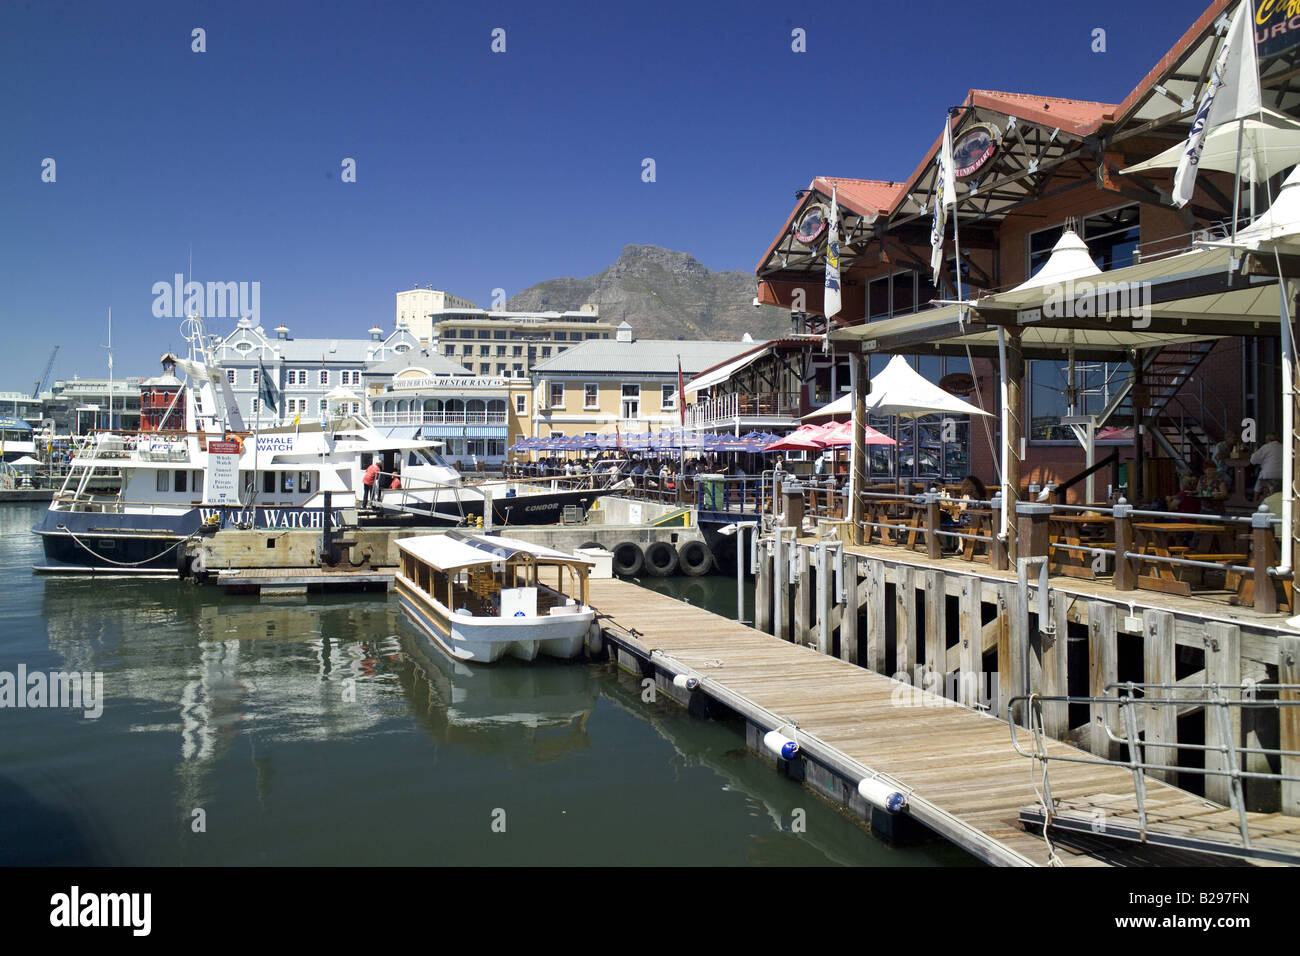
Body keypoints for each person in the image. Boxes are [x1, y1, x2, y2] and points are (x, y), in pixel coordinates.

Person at [1251, 433, 1283, 498]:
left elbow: (1253, 460)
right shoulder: (1283, 447)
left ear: (1267, 440)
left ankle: (1255, 500)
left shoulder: (1266, 447)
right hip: (1283, 475)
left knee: (1259, 482)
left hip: (1269, 475)